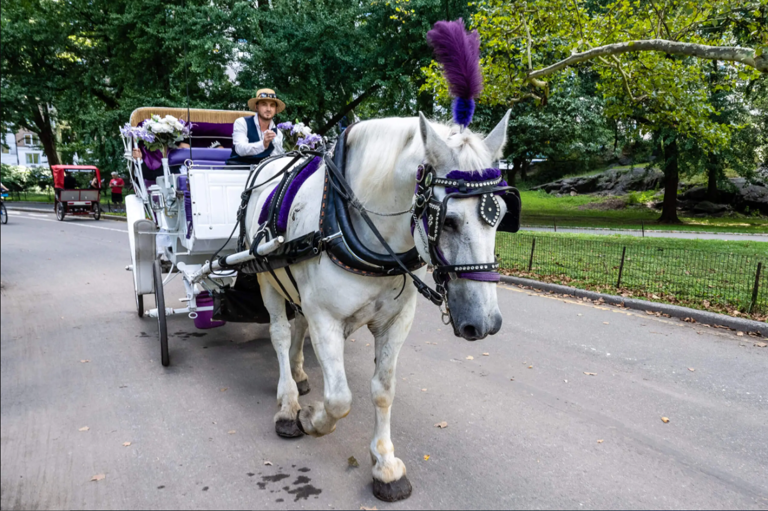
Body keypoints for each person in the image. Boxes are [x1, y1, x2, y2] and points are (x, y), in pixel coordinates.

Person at [227, 88, 286, 165]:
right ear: (256, 107)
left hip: (262, 174)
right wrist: (263, 144)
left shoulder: (278, 133)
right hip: (238, 170)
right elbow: (240, 149)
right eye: (264, 104)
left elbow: (274, 159)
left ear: (275, 109)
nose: (268, 109)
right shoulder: (242, 122)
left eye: (272, 105)